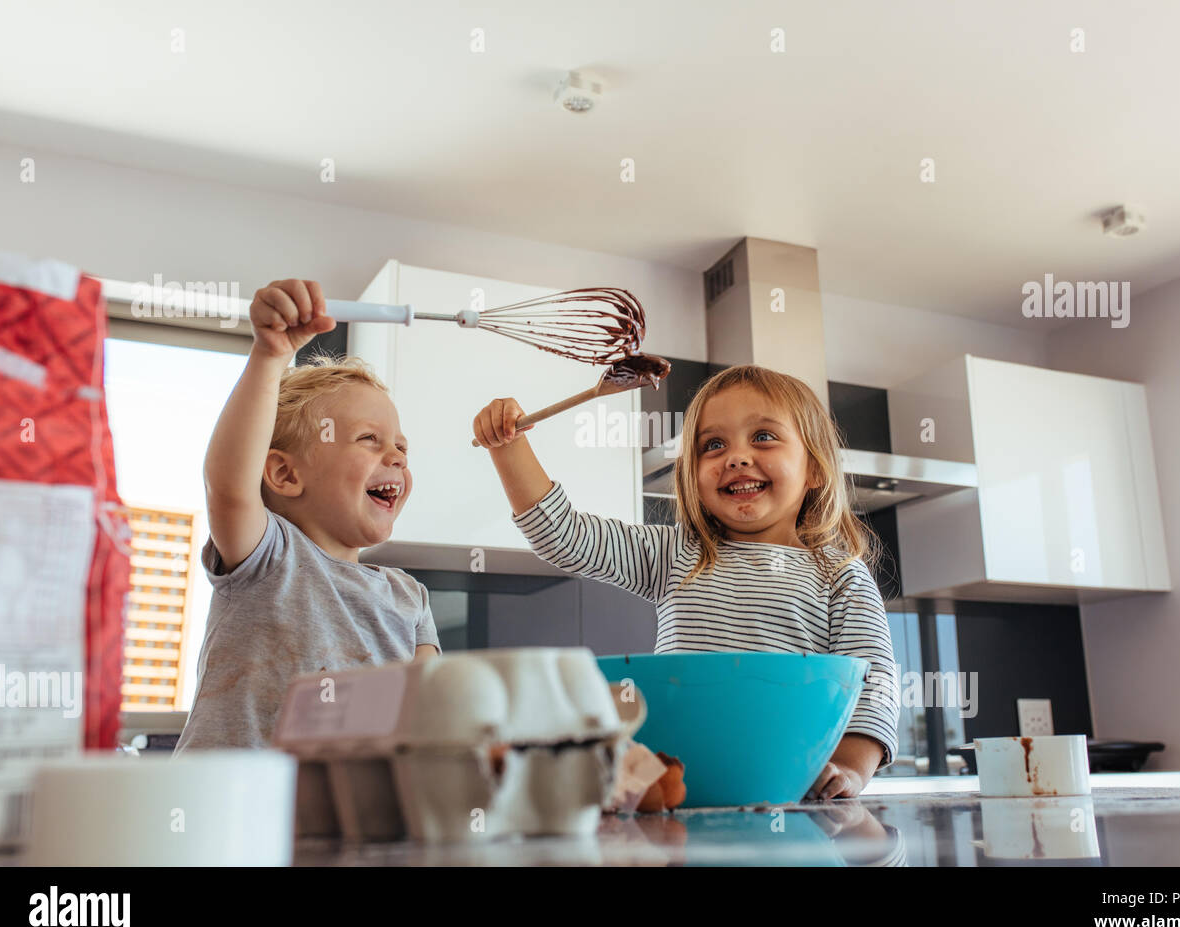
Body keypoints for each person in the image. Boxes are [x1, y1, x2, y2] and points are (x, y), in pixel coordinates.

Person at [472, 364, 898, 798]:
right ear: (693, 477)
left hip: (790, 794)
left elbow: (876, 683)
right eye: (713, 445)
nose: (736, 457)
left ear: (815, 468)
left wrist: (848, 769)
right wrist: (509, 447)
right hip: (672, 786)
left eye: (763, 437)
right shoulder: (675, 553)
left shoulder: (839, 573)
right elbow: (563, 536)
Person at [175, 280, 439, 751]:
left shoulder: (409, 597)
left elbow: (425, 722)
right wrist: (269, 356)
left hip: (343, 817)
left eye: (401, 446)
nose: (397, 457)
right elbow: (230, 488)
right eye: (369, 440)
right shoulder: (270, 558)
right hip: (231, 811)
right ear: (284, 473)